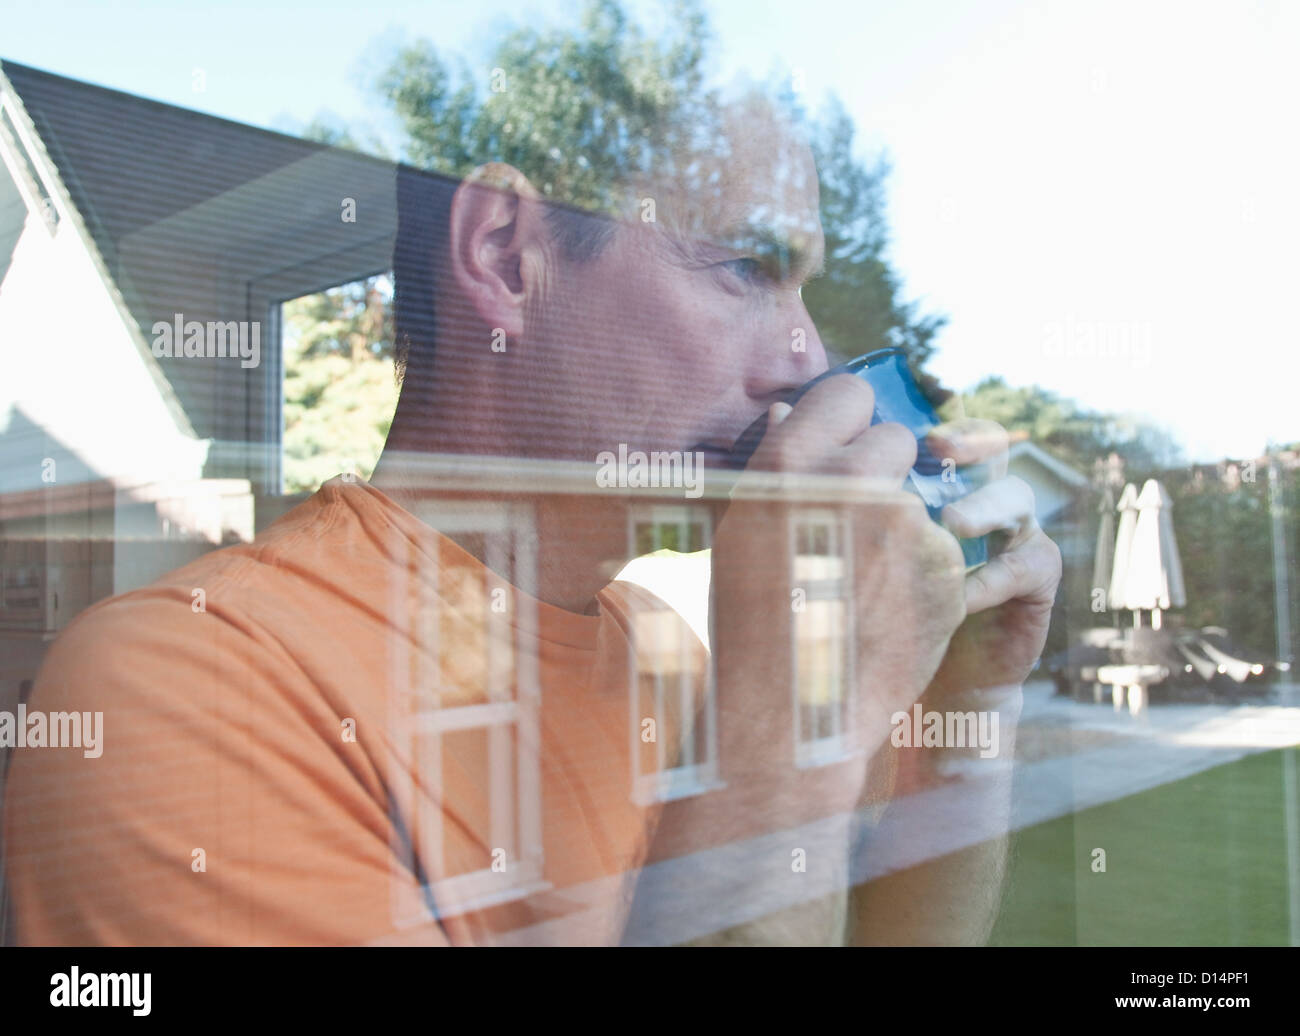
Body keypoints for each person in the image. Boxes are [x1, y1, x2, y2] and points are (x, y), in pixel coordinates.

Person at [2, 93, 1060, 946]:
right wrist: (773, 729)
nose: (806, 355)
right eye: (748, 267)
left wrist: (972, 697)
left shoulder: (678, 651)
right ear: (506, 255)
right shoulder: (187, 693)